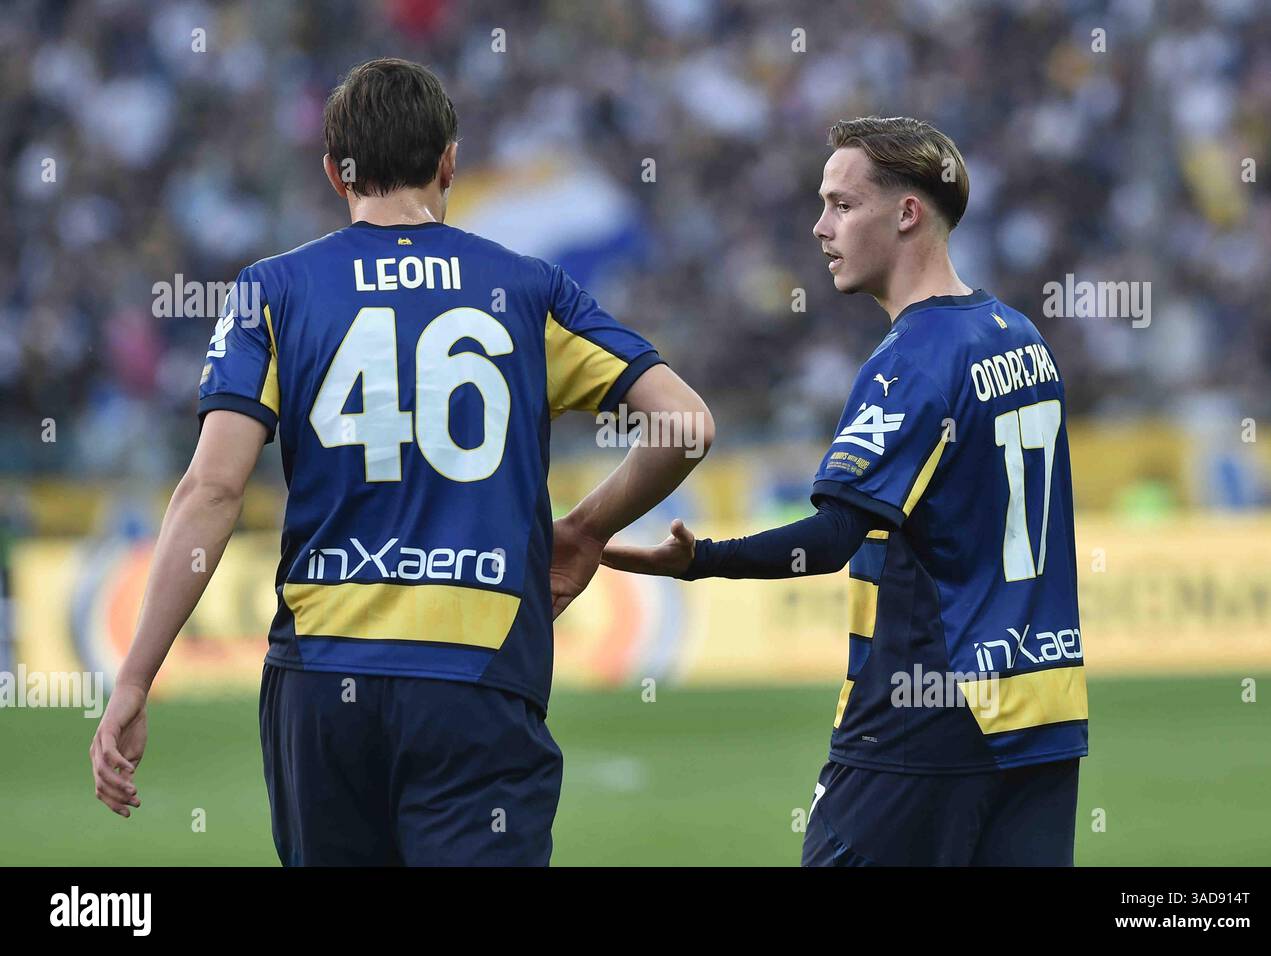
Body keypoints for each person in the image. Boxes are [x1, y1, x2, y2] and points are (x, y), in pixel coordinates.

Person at [89, 57, 713, 866]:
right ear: (450, 160)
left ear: (332, 172)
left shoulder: (269, 292)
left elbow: (211, 489)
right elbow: (686, 424)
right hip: (478, 671)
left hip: (322, 677)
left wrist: (135, 680)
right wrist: (589, 529)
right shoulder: (528, 290)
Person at [603, 117, 1087, 866]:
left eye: (841, 204)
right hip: (1042, 711)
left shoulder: (914, 361)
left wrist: (698, 560)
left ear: (906, 213)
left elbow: (830, 540)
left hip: (922, 718)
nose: (819, 226)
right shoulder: (1019, 337)